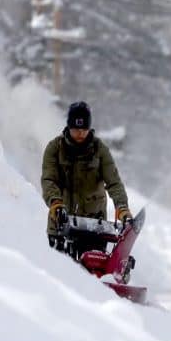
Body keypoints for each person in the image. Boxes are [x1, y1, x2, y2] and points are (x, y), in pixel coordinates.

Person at [42, 101, 131, 252]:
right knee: (58, 266)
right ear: (69, 126)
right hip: (61, 225)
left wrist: (121, 207)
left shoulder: (100, 150)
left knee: (91, 266)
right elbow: (49, 180)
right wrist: (55, 203)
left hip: (93, 227)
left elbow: (114, 183)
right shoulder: (54, 148)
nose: (80, 133)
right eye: (76, 129)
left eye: (84, 129)